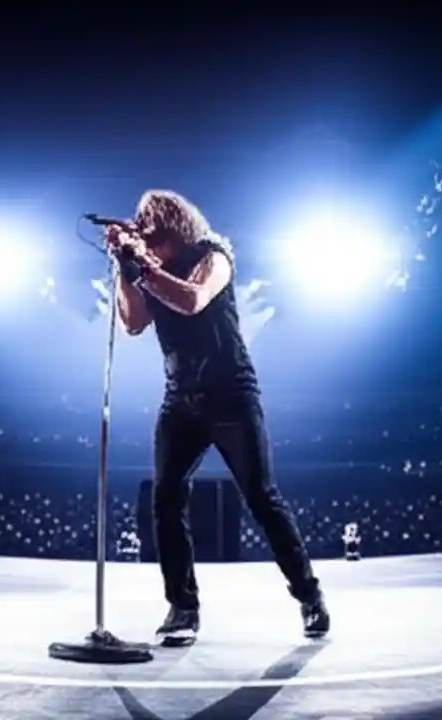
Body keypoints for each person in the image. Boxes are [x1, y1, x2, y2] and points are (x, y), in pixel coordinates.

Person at [106, 189, 328, 646]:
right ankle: (183, 608)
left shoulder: (214, 255)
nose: (149, 247)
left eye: (153, 238)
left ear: (173, 232)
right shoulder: (152, 270)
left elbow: (192, 301)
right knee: (166, 496)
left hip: (231, 395)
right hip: (180, 398)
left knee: (261, 497)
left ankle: (309, 594)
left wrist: (143, 266)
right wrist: (124, 267)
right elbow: (131, 323)